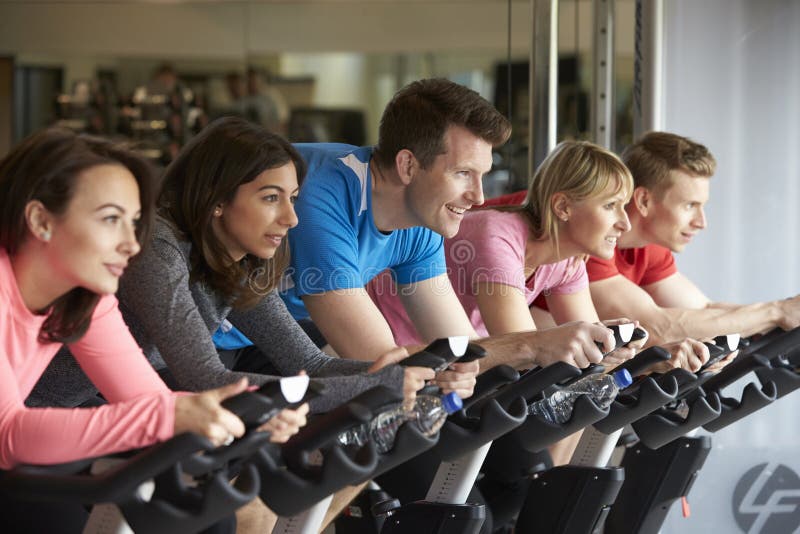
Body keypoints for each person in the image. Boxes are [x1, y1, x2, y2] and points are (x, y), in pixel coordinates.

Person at [0, 128, 305, 532]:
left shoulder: (88, 296)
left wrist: (248, 414)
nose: (131, 243)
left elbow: (147, 399)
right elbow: (10, 437)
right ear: (40, 220)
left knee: (213, 519)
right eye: (111, 219)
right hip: (15, 453)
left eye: (135, 222)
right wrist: (172, 415)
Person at [280, 78, 617, 376]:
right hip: (234, 339)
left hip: (286, 337)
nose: (479, 196)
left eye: (481, 175)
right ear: (408, 165)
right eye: (462, 174)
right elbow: (378, 361)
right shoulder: (322, 193)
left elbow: (458, 345)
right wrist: (534, 346)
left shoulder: (421, 222)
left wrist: (576, 343)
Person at [497, 132, 800, 349]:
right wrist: (774, 312)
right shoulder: (585, 230)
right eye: (689, 205)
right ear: (642, 200)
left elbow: (703, 311)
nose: (701, 222)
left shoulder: (646, 244)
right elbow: (656, 328)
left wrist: (776, 320)